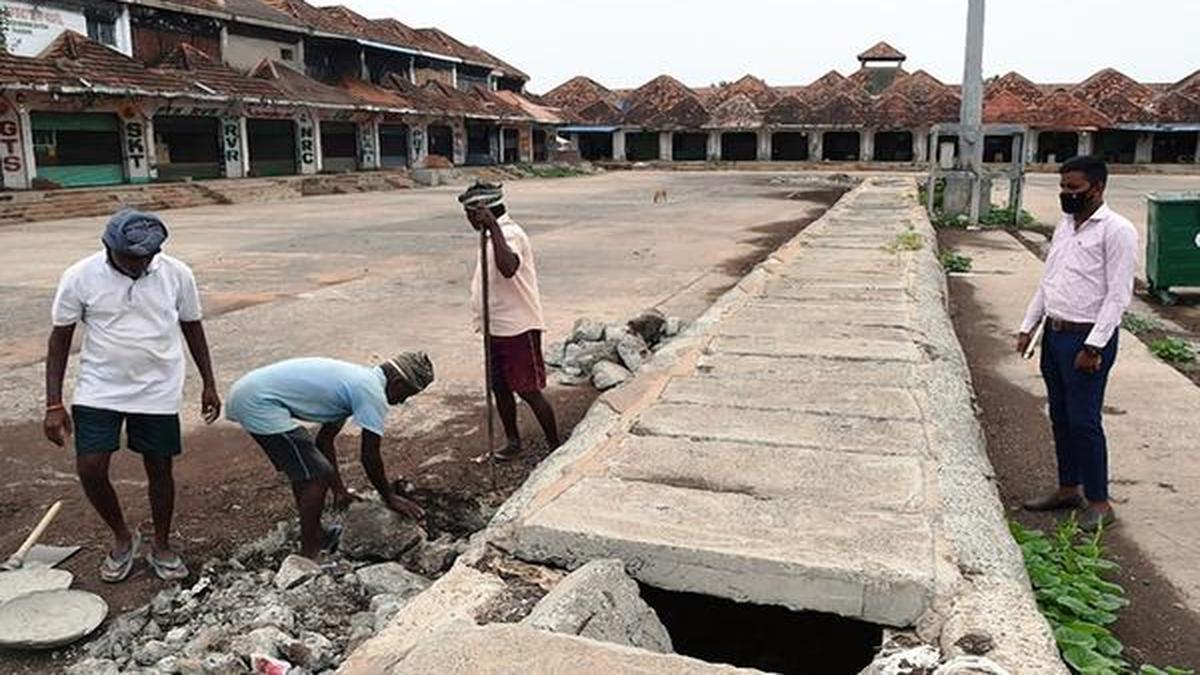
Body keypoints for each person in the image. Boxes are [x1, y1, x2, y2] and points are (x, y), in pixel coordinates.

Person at [45, 209, 220, 582]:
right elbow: (60, 339)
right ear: (109, 248)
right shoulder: (80, 276)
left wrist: (208, 382)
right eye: (131, 258)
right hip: (99, 386)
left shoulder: (177, 274)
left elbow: (193, 326)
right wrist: (54, 403)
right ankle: (123, 537)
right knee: (90, 466)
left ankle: (161, 543)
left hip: (158, 388)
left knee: (159, 467)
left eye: (147, 257)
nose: (141, 264)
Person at [1017, 156, 1138, 532]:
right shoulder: (1067, 226)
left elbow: (1118, 295)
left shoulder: (1117, 230)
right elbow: (1049, 280)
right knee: (1060, 417)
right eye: (1063, 188)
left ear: (1097, 188)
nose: (1066, 195)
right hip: (1055, 334)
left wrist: (1094, 346)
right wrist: (1029, 324)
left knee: (1085, 422)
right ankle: (1068, 488)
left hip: (1086, 340)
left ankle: (1100, 503)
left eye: (1074, 189)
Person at [225, 353, 433, 560]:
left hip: (250, 394)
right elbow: (370, 455)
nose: (401, 401)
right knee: (315, 475)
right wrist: (389, 497)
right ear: (397, 383)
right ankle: (309, 550)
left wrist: (339, 491)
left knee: (307, 470)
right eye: (407, 394)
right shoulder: (371, 391)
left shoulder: (357, 382)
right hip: (258, 402)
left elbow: (324, 441)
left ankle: (315, 533)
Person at [459, 181, 559, 460]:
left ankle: (555, 447)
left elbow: (508, 268)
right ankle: (513, 442)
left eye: (470, 215)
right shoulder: (492, 236)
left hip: (518, 327)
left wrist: (492, 227)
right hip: (496, 328)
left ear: (483, 212)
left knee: (528, 389)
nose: (469, 222)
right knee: (500, 386)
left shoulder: (510, 233)